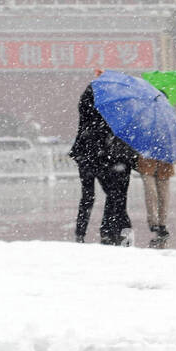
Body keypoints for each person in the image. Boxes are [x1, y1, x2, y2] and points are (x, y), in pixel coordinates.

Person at [69, 83, 137, 245]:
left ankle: (81, 232)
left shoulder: (87, 108)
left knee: (89, 195)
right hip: (106, 157)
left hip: (86, 154)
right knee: (116, 195)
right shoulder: (110, 114)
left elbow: (87, 128)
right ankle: (115, 231)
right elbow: (109, 132)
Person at [136, 155, 175, 248]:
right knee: (151, 192)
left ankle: (162, 224)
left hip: (164, 165)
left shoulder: (168, 143)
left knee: (164, 196)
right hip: (147, 163)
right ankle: (153, 222)